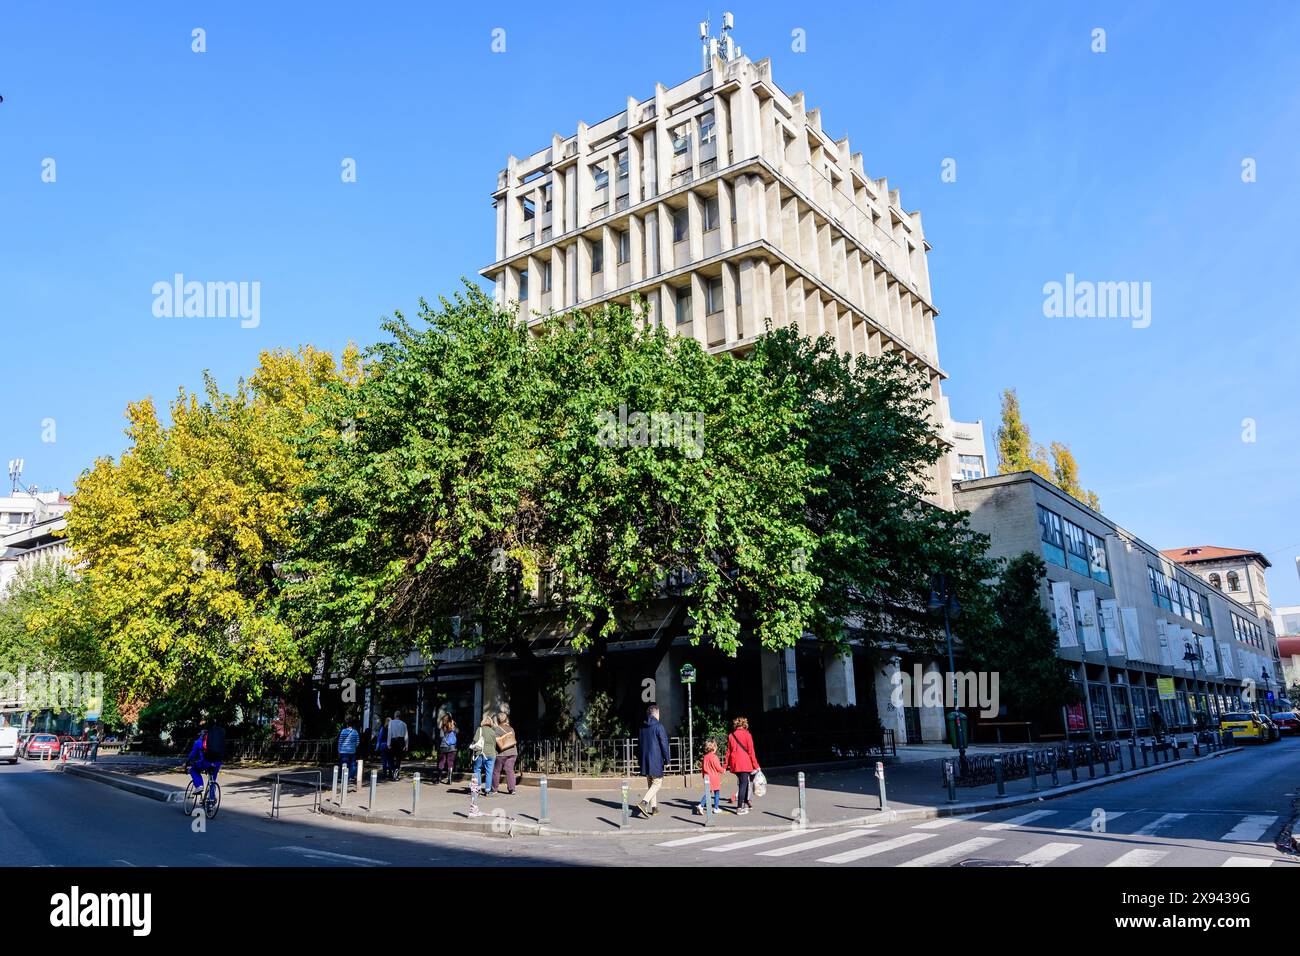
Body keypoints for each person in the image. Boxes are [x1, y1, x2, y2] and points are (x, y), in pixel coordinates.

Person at [636, 703, 671, 818]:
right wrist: (668, 760)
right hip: (655, 760)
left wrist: (640, 760)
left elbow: (639, 744)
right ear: (656, 713)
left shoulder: (642, 726)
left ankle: (654, 808)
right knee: (657, 783)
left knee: (651, 783)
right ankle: (644, 802)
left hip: (645, 760)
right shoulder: (659, 726)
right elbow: (664, 744)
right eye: (659, 713)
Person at [726, 716, 759, 815]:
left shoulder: (731, 735)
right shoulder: (747, 735)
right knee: (743, 785)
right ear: (744, 724)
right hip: (745, 764)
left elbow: (728, 752)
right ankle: (739, 808)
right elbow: (751, 752)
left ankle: (744, 804)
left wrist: (724, 766)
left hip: (735, 764)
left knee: (743, 783)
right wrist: (756, 765)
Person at [185, 720, 225, 798]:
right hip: (217, 762)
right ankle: (211, 800)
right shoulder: (215, 739)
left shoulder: (198, 742)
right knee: (213, 780)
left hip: (206, 762)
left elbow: (192, 754)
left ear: (201, 733)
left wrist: (187, 762)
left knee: (193, 769)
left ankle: (199, 785)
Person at [694, 738, 723, 816]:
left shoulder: (705, 757)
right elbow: (718, 767)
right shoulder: (714, 757)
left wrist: (703, 776)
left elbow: (703, 768)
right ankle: (716, 808)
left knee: (708, 792)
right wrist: (723, 770)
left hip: (707, 777)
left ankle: (701, 805)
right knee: (717, 792)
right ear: (714, 748)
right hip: (714, 777)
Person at [470, 714, 498, 795]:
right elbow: (494, 744)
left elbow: (475, 739)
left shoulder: (480, 729)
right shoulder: (493, 731)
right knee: (489, 772)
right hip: (491, 754)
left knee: (477, 770)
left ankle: (477, 788)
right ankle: (487, 790)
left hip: (480, 753)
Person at [492, 712, 518, 795]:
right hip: (513, 752)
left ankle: (495, 789)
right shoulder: (511, 728)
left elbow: (495, 742)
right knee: (510, 770)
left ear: (498, 720)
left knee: (496, 771)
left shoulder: (497, 729)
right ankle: (512, 789)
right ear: (506, 719)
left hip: (501, 753)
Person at [337, 720, 360, 785]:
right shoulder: (355, 732)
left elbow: (340, 741)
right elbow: (358, 742)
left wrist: (339, 750)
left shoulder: (343, 731)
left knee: (344, 763)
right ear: (352, 725)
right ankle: (350, 777)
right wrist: (353, 747)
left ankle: (343, 777)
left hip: (343, 751)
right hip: (352, 751)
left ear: (347, 725)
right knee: (352, 764)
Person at [437, 716, 458, 786]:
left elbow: (441, 736)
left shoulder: (443, 728)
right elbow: (457, 732)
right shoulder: (453, 727)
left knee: (442, 762)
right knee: (450, 762)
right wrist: (453, 723)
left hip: (443, 747)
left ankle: (439, 778)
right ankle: (450, 779)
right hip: (452, 747)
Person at [387, 711, 409, 781]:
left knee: (391, 758)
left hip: (393, 741)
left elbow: (389, 733)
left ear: (395, 715)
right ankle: (396, 773)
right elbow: (406, 736)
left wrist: (388, 743)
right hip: (401, 741)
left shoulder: (391, 722)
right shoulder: (404, 724)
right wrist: (406, 745)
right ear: (400, 716)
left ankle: (393, 770)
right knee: (398, 758)